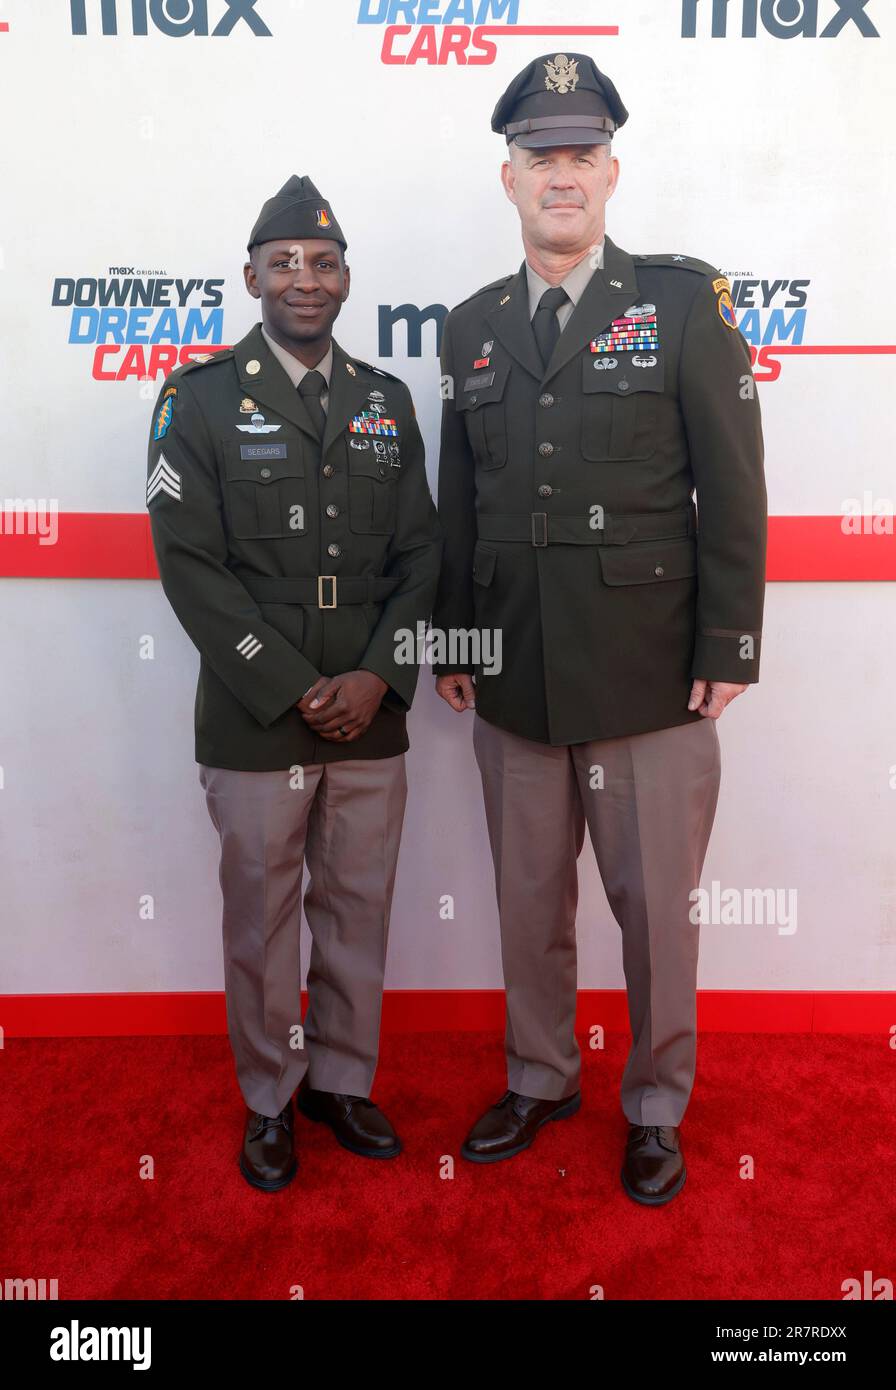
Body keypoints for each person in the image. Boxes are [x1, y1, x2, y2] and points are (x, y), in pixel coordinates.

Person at [432, 55, 767, 1204]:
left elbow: (731, 487)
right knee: (527, 903)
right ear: (507, 177)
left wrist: (727, 644)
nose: (559, 176)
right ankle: (539, 1076)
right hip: (513, 676)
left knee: (653, 919)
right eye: (540, 158)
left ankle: (656, 1104)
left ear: (610, 173)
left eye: (579, 156)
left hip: (646, 682)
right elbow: (461, 501)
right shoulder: (470, 326)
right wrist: (455, 641)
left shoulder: (679, 304)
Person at [146, 175, 442, 1191]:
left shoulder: (382, 400)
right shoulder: (199, 397)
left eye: (321, 263)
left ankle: (342, 1083)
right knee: (262, 914)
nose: (302, 281)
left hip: (369, 711)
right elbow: (190, 565)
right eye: (282, 264)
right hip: (254, 714)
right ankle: (271, 1095)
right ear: (251, 278)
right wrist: (288, 683)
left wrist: (377, 675)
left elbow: (422, 556)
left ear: (346, 278)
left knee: (357, 903)